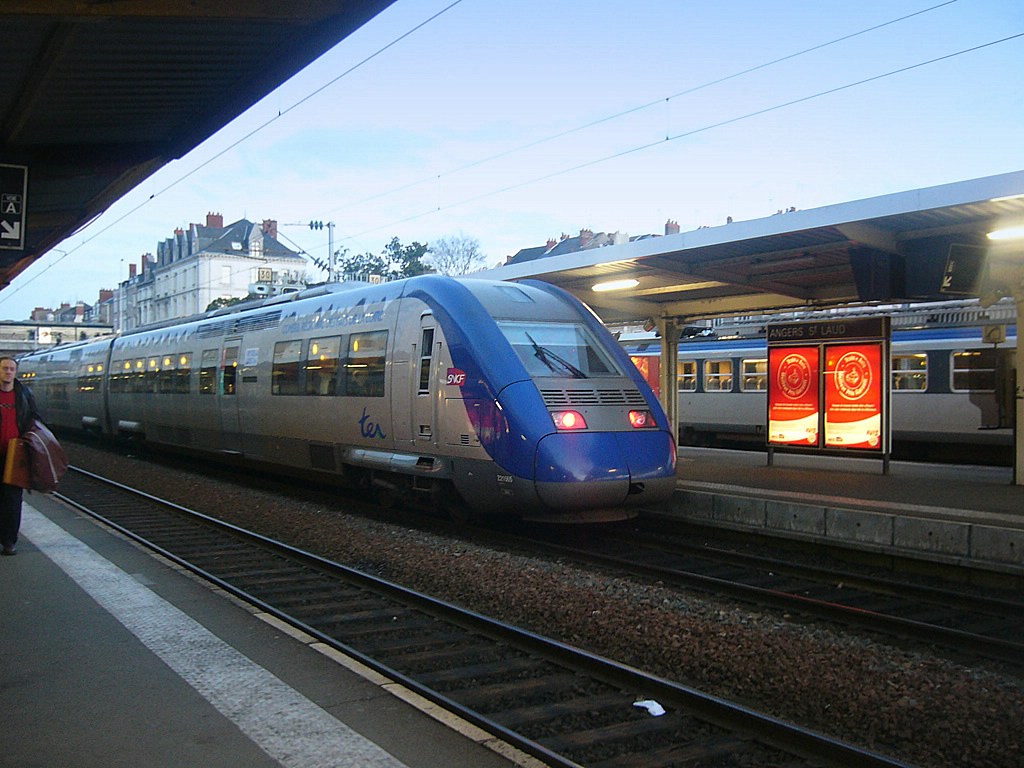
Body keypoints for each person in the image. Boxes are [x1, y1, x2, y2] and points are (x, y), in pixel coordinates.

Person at [0, 356, 40, 556]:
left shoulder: (23, 394)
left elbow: (34, 418)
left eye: (11, 369)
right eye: (5, 368)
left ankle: (9, 541)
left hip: (15, 456)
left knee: (13, 500)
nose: (8, 372)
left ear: (16, 372)